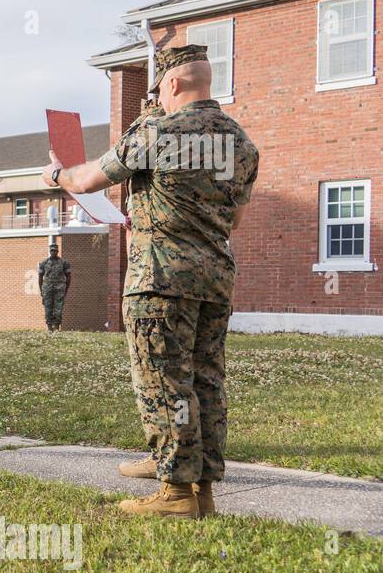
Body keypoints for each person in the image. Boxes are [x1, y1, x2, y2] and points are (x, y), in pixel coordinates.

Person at [41, 44, 258, 519]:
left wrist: (56, 174)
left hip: (159, 279)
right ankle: (202, 490)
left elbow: (86, 180)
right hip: (214, 281)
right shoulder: (240, 144)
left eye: (159, 90)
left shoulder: (156, 133)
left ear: (173, 83)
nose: (156, 98)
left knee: (164, 382)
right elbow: (235, 220)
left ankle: (175, 494)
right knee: (206, 382)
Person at [38, 243, 71, 332]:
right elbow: (40, 277)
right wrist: (41, 290)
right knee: (48, 308)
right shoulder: (44, 263)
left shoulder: (64, 263)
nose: (53, 252)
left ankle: (56, 327)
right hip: (47, 289)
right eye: (52, 251)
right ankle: (49, 327)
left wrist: (66, 289)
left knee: (58, 308)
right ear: (50, 251)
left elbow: (68, 276)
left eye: (55, 251)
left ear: (57, 251)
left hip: (59, 289)